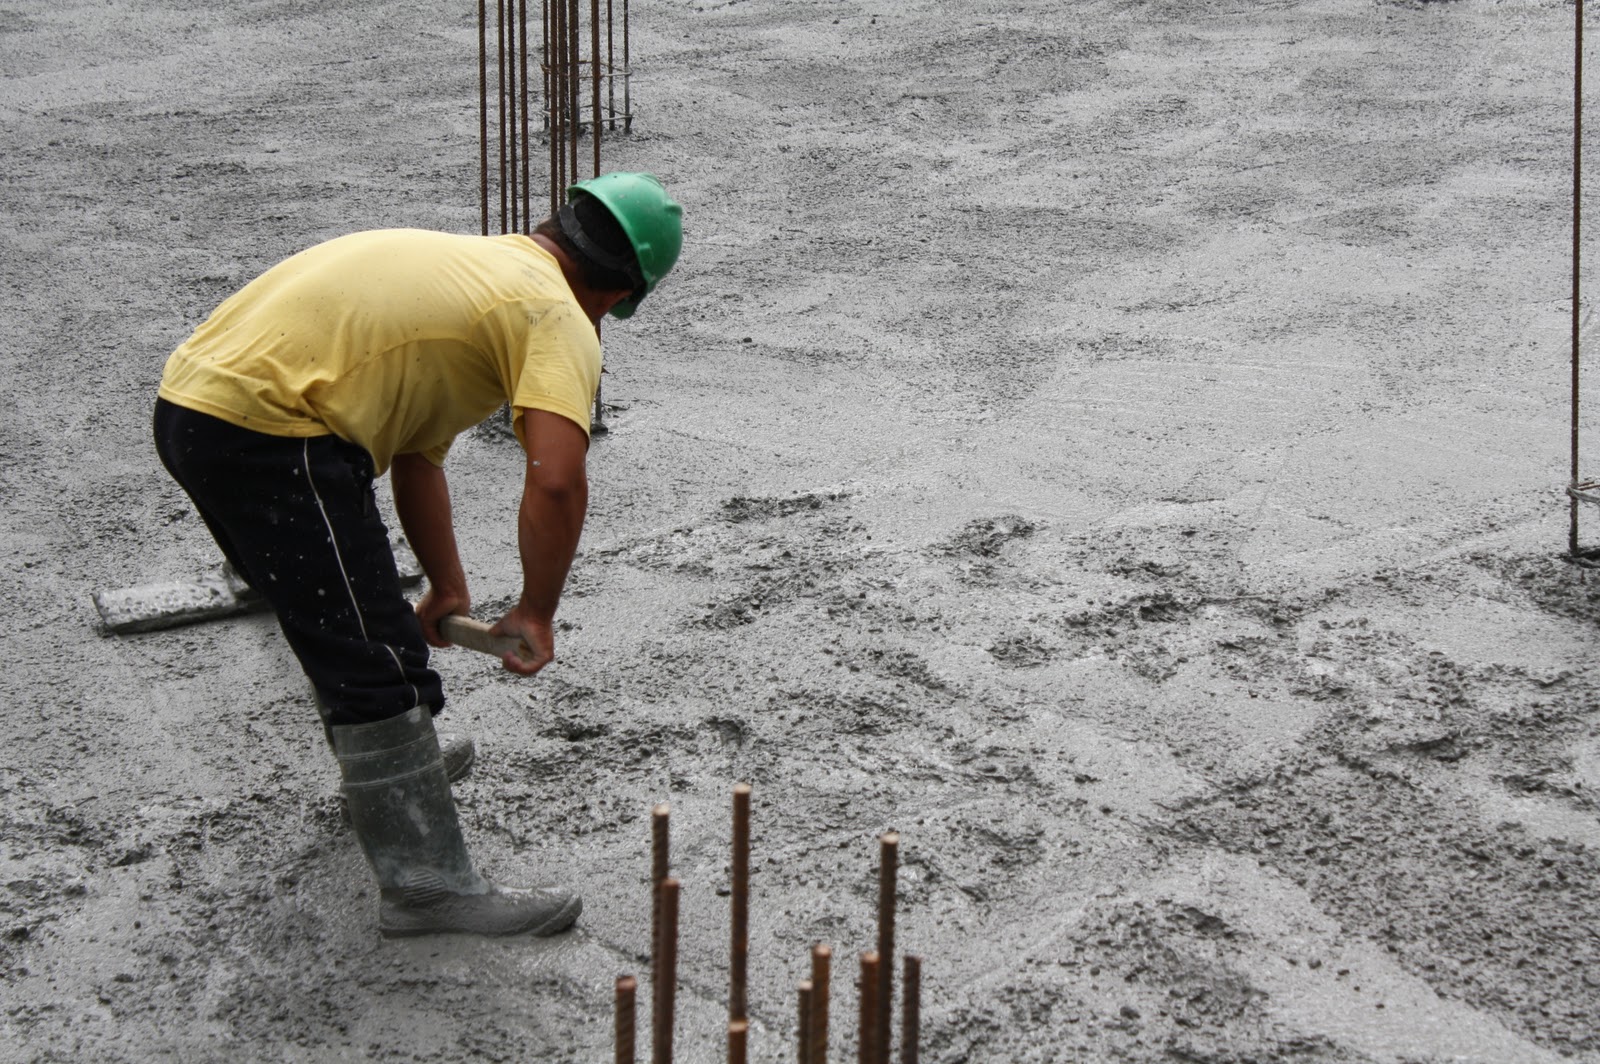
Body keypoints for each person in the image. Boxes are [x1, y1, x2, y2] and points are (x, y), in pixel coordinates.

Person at [151, 172, 683, 937]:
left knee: (335, 611)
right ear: (618, 297)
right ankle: (425, 884)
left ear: (556, 225)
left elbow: (417, 458)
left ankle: (386, 777)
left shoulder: (479, 274)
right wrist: (537, 609)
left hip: (193, 407)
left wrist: (447, 586)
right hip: (272, 436)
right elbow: (558, 482)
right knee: (378, 658)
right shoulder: (552, 313)